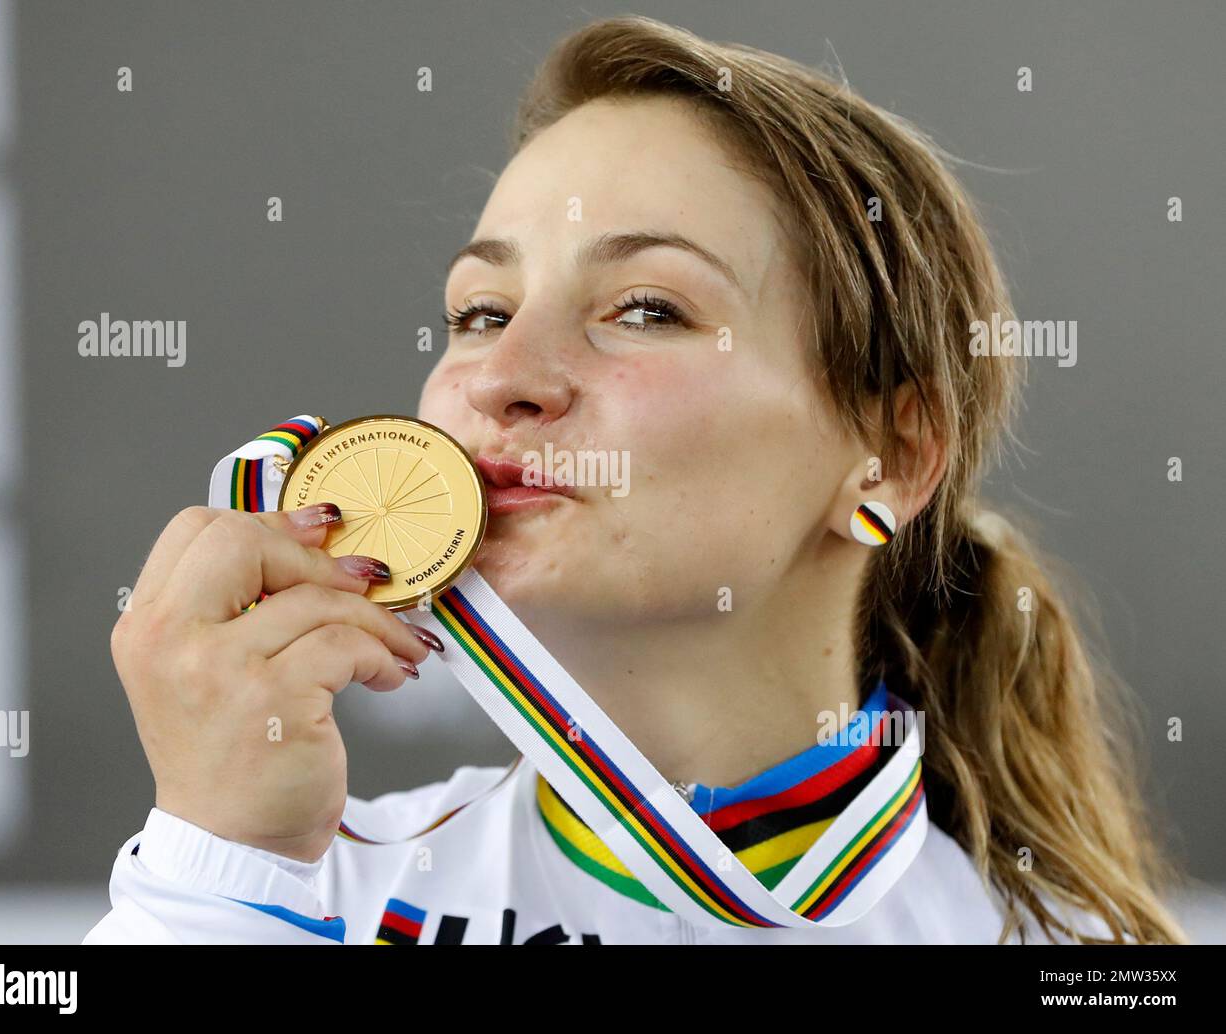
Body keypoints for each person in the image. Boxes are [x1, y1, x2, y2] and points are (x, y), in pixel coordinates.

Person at [84, 15, 1184, 945]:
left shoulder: (1070, 954)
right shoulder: (291, 889)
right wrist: (210, 865)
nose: (502, 377)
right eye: (479, 312)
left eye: (646, 308)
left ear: (890, 457)